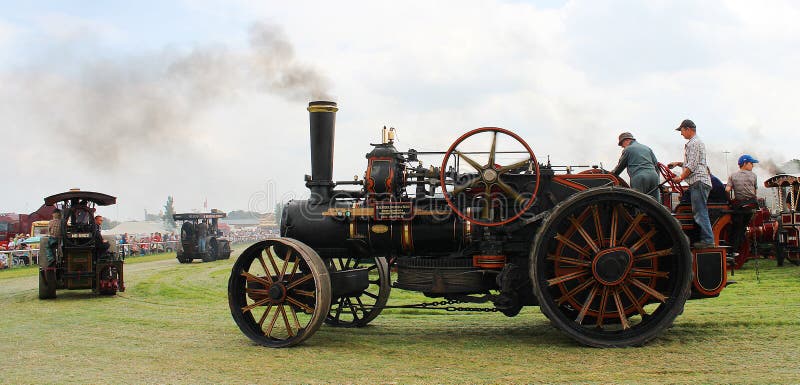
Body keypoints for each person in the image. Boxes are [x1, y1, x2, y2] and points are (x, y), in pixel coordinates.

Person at [668, 119, 715, 248]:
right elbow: (695, 163)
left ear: (688, 129)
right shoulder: (696, 142)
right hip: (699, 181)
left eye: (682, 131)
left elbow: (693, 165)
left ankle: (708, 240)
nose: (681, 134)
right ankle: (705, 238)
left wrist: (681, 177)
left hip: (698, 181)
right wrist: (678, 164)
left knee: (700, 212)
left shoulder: (693, 143)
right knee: (699, 211)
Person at [726, 154, 759, 255]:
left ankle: (733, 249)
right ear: (744, 163)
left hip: (739, 205)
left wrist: (730, 201)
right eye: (751, 163)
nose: (752, 166)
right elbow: (755, 191)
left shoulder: (732, 175)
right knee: (743, 227)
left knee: (737, 227)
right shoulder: (753, 175)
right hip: (751, 204)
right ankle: (738, 247)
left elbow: (727, 190)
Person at [611, 132, 661, 201]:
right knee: (655, 204)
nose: (622, 147)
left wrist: (611, 175)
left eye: (622, 144)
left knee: (638, 202)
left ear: (626, 140)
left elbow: (620, 167)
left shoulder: (628, 149)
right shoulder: (647, 148)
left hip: (639, 178)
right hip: (654, 177)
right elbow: (657, 166)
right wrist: (657, 181)